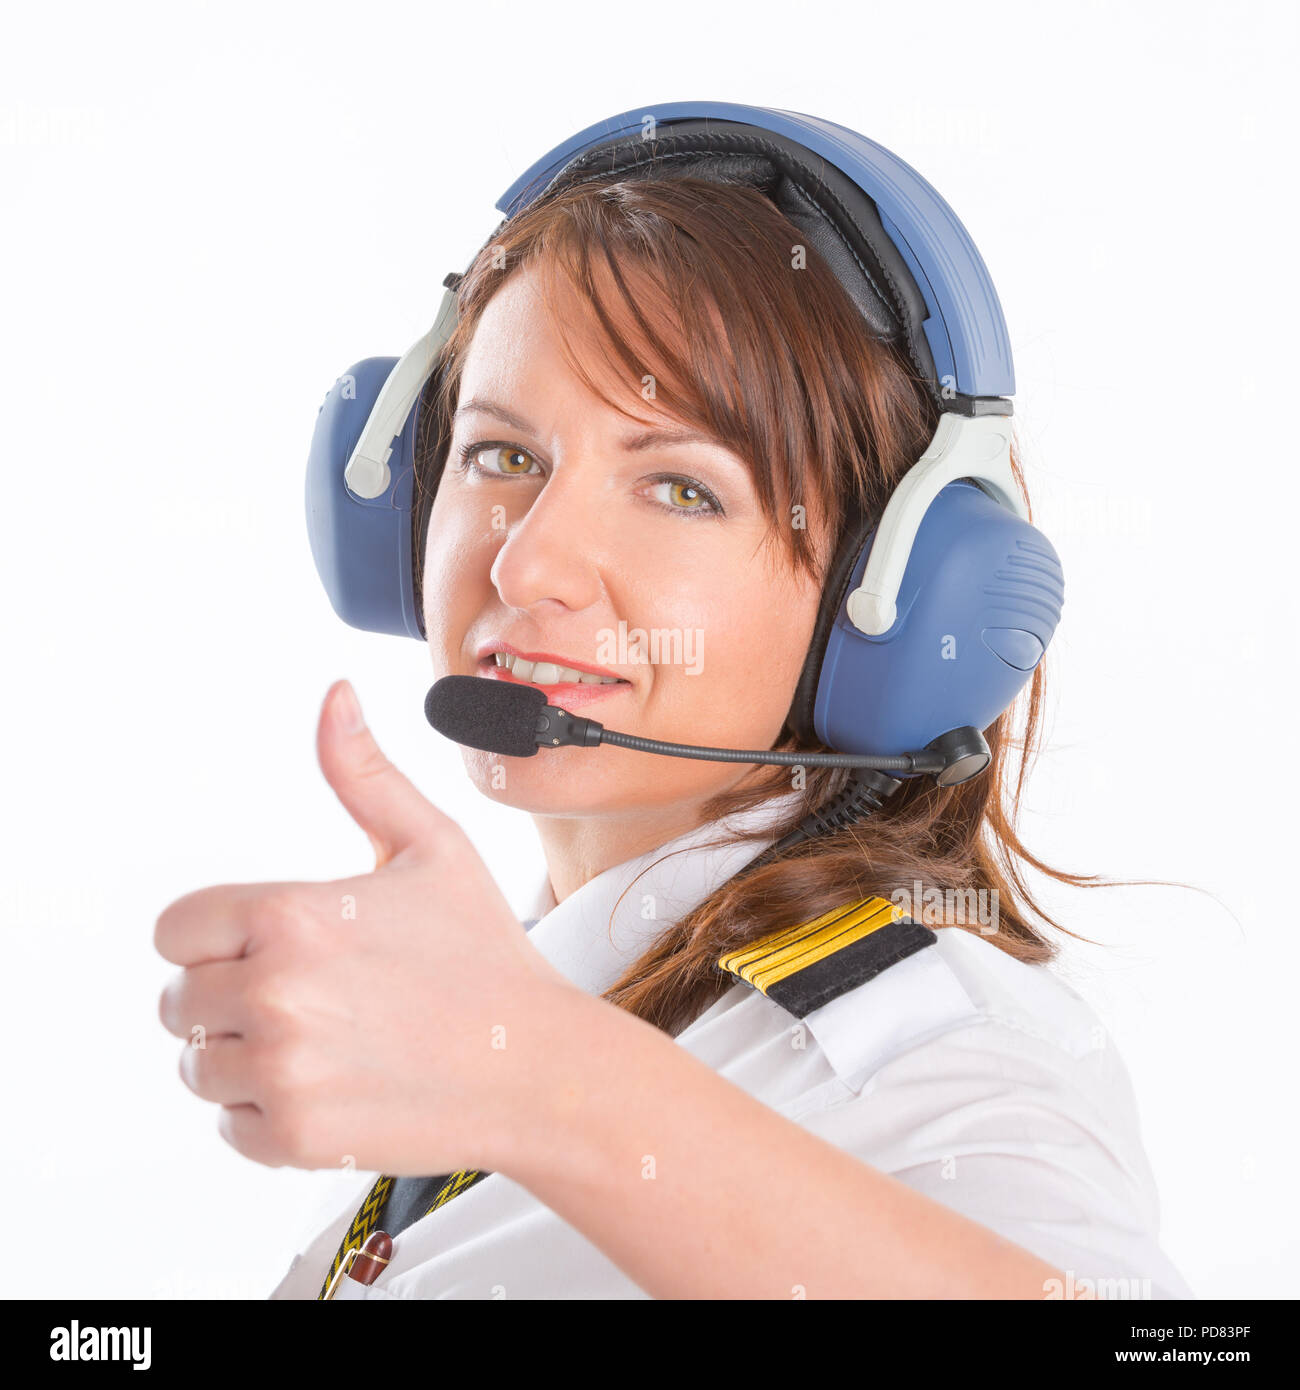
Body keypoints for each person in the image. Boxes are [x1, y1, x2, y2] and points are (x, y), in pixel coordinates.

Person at [158, 113, 1191, 1300]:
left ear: (887, 595)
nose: (528, 564)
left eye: (679, 487)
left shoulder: (944, 1053)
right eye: (502, 457)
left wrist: (544, 1077)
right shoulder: (538, 996)